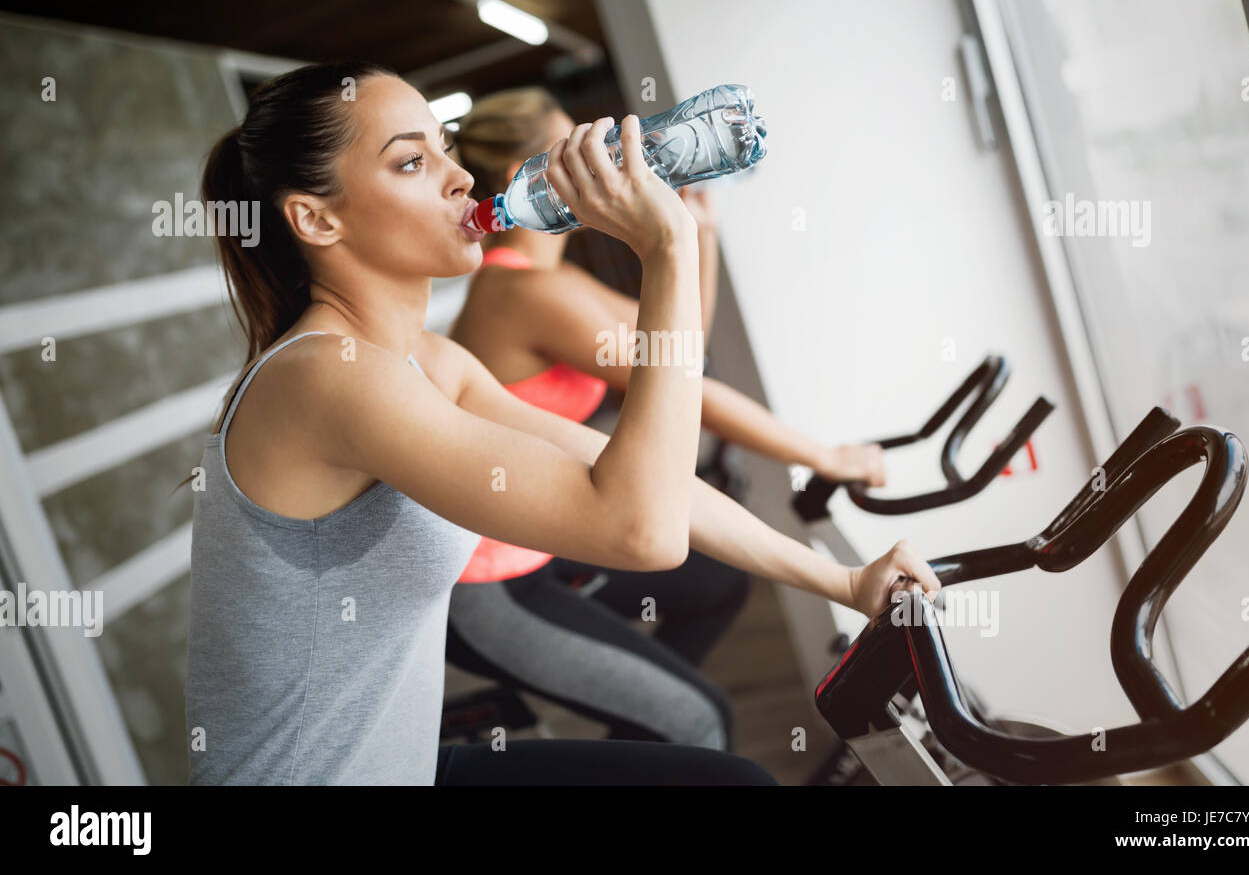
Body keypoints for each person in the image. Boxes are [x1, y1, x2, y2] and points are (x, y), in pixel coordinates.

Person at [184, 61, 940, 786]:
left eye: (446, 150)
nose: (460, 178)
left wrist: (845, 580)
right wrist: (668, 248)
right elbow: (639, 531)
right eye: (411, 163)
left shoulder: (426, 361)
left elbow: (649, 483)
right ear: (315, 218)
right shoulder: (327, 376)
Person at [436, 87, 894, 750]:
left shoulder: (548, 283)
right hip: (487, 579)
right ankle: (655, 731)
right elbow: (690, 386)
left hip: (537, 536)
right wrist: (827, 457)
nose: (598, 160)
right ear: (528, 174)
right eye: (570, 148)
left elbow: (678, 356)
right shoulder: (524, 291)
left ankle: (637, 736)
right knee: (698, 721)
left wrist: (694, 236)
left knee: (713, 585)